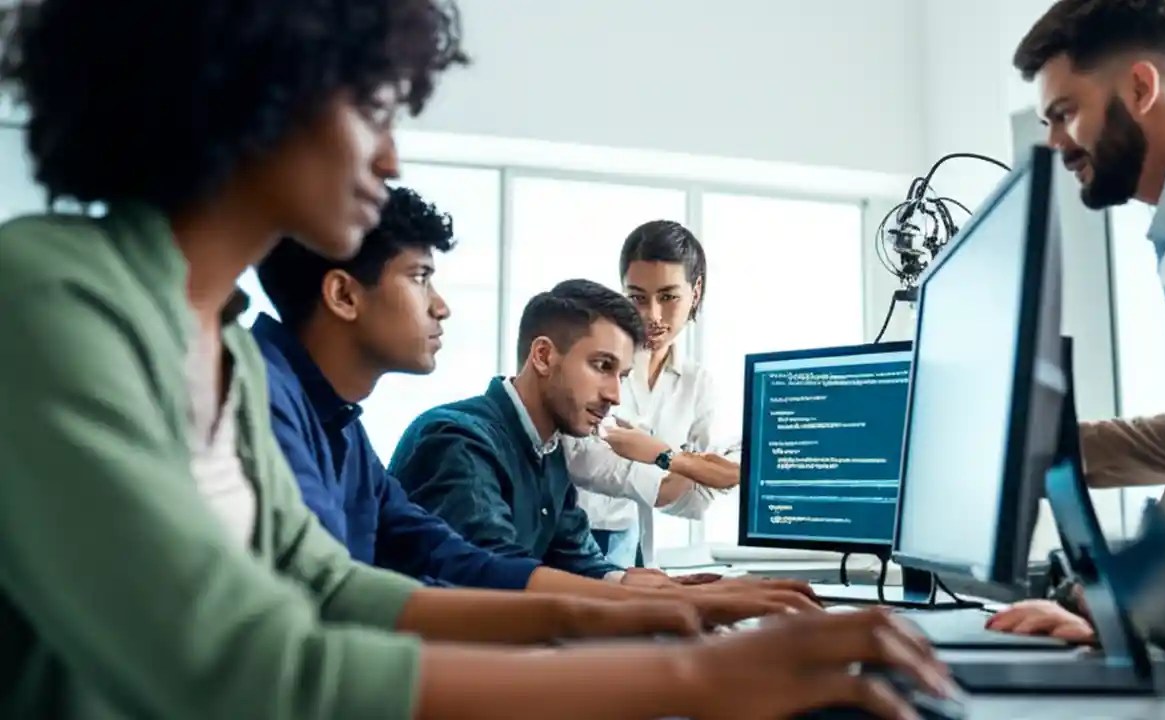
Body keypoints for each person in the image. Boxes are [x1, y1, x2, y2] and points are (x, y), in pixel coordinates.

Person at [0, 1, 956, 718]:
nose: (390, 160)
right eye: (371, 110)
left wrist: (622, 618)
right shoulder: (47, 297)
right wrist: (689, 672)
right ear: (248, 89)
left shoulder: (232, 352)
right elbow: (237, 660)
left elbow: (331, 583)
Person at [254, 186, 817, 622]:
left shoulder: (345, 428)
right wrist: (660, 621)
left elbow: (488, 558)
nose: (443, 307)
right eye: (422, 278)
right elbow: (476, 579)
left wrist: (657, 590)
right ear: (344, 294)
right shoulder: (452, 439)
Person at [986, 0, 1165, 655]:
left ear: (1141, 87)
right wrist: (1035, 454)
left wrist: (1122, 594)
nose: (1056, 143)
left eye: (1065, 114)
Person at [564, 220, 740, 568]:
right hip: (567, 536)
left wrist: (664, 461)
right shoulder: (594, 360)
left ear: (696, 290)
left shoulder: (698, 384)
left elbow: (698, 500)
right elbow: (583, 460)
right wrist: (682, 464)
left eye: (668, 297)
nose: (652, 316)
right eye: (637, 298)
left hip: (635, 545)